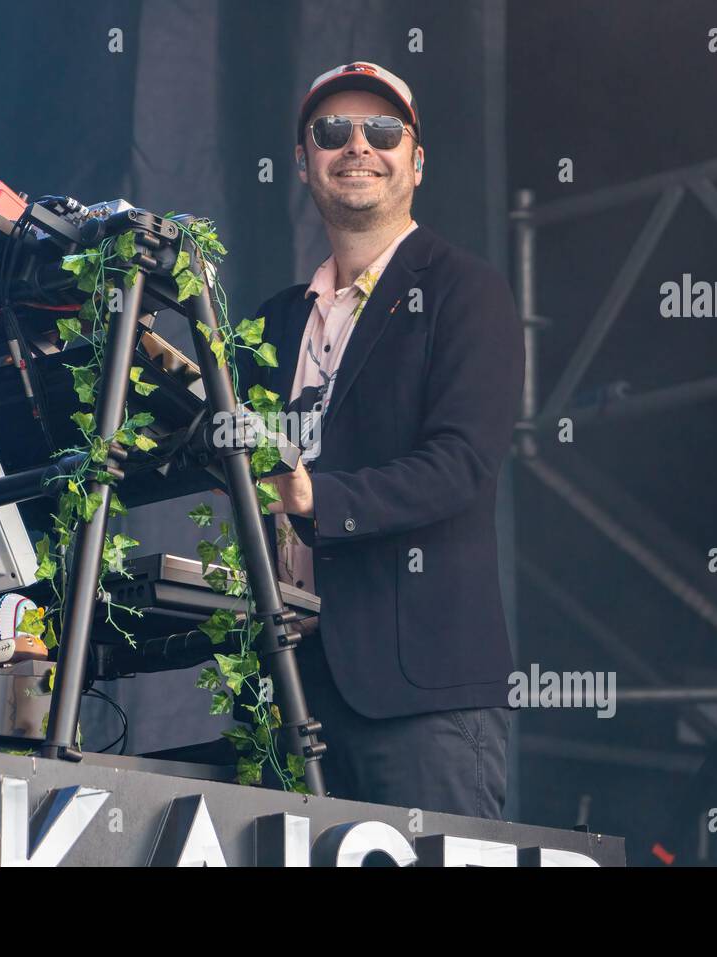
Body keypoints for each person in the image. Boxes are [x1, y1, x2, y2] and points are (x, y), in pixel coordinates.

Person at [241, 61, 525, 820]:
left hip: (420, 693)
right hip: (287, 687)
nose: (358, 146)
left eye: (384, 131)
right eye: (332, 132)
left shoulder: (467, 290)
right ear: (304, 162)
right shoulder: (271, 322)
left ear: (416, 161)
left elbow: (461, 464)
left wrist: (314, 495)